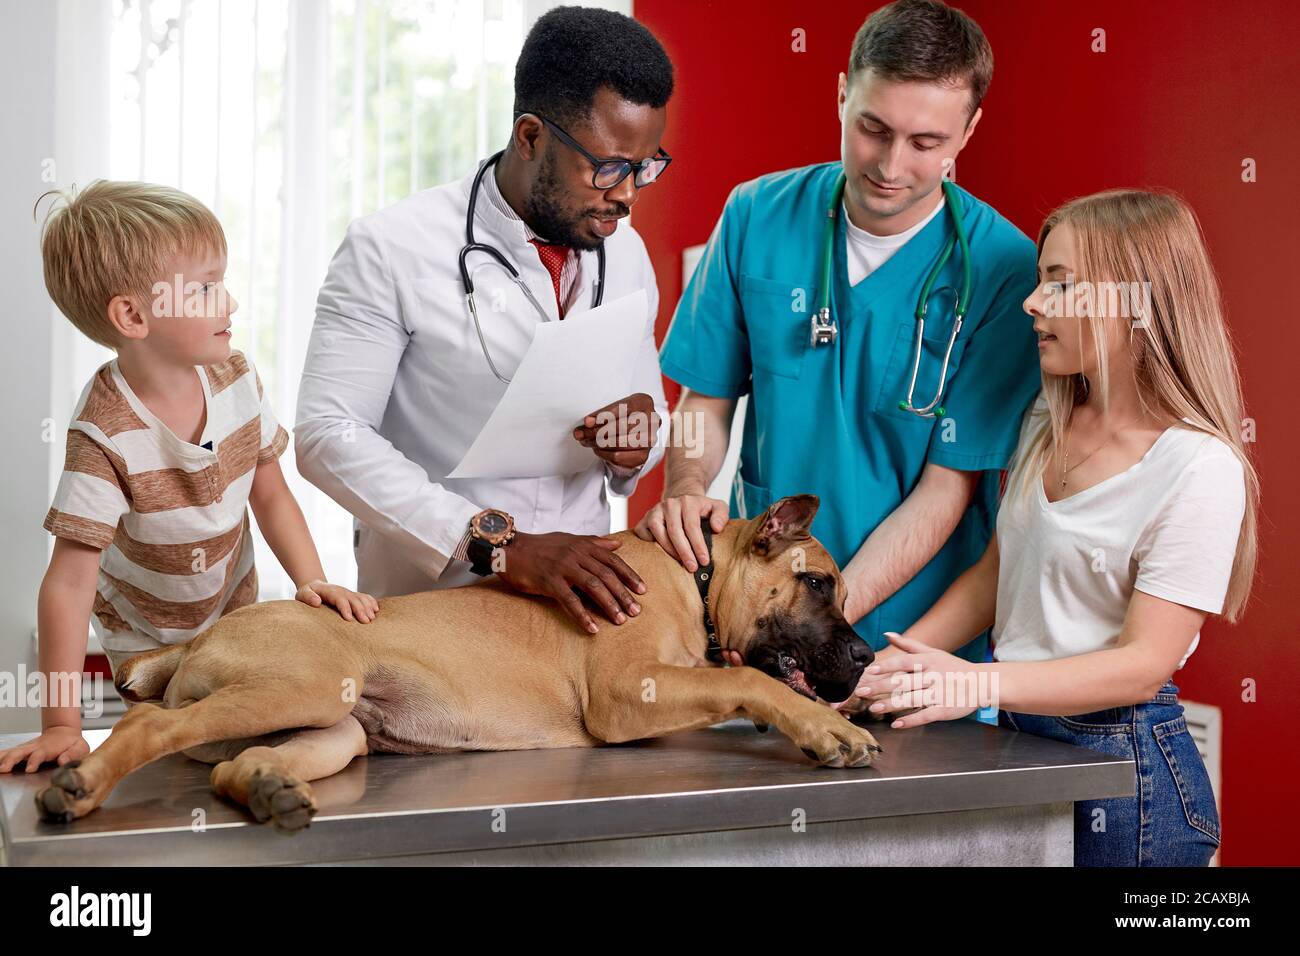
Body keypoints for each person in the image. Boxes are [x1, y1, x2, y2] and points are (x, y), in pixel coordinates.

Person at [854, 188, 1257, 866]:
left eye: (1061, 286)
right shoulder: (1049, 416)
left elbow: (1142, 666)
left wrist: (972, 683)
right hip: (1021, 742)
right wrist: (894, 667)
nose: (1032, 304)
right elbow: (1002, 569)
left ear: (1133, 301)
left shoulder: (1199, 467)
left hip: (1130, 781)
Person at [641, 0, 1039, 679]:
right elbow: (702, 406)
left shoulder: (1003, 268)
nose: (890, 164)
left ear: (968, 131)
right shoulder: (755, 218)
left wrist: (827, 618)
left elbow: (949, 489)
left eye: (925, 144)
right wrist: (683, 484)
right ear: (841, 93)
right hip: (756, 630)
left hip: (913, 644)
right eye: (872, 128)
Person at [297, 6, 674, 635]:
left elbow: (649, 422)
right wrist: (499, 545)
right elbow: (327, 435)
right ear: (530, 137)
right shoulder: (392, 248)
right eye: (607, 167)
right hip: (434, 615)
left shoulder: (625, 254)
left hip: (576, 621)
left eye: (644, 167)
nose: (628, 194)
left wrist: (639, 439)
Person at [0, 181, 376, 775]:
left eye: (221, 281)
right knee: (191, 751)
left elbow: (271, 493)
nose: (228, 302)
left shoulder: (235, 377)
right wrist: (60, 726)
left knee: (293, 716)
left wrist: (313, 582)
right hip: (151, 648)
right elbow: (69, 584)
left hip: (234, 619)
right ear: (132, 315)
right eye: (203, 288)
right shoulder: (104, 433)